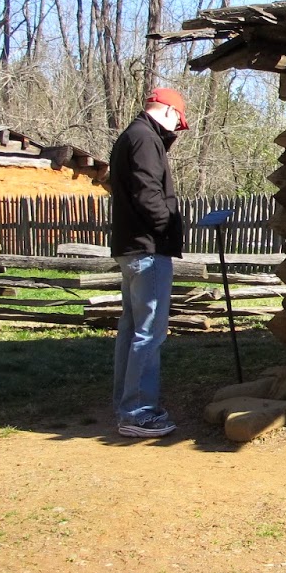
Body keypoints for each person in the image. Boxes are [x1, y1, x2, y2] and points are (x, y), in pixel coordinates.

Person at [109, 86, 188, 438]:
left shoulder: (131, 135)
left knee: (132, 331)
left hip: (132, 247)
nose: (176, 131)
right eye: (178, 123)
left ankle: (126, 406)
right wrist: (168, 228)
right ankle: (138, 413)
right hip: (148, 249)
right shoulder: (145, 139)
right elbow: (148, 193)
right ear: (169, 111)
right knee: (149, 333)